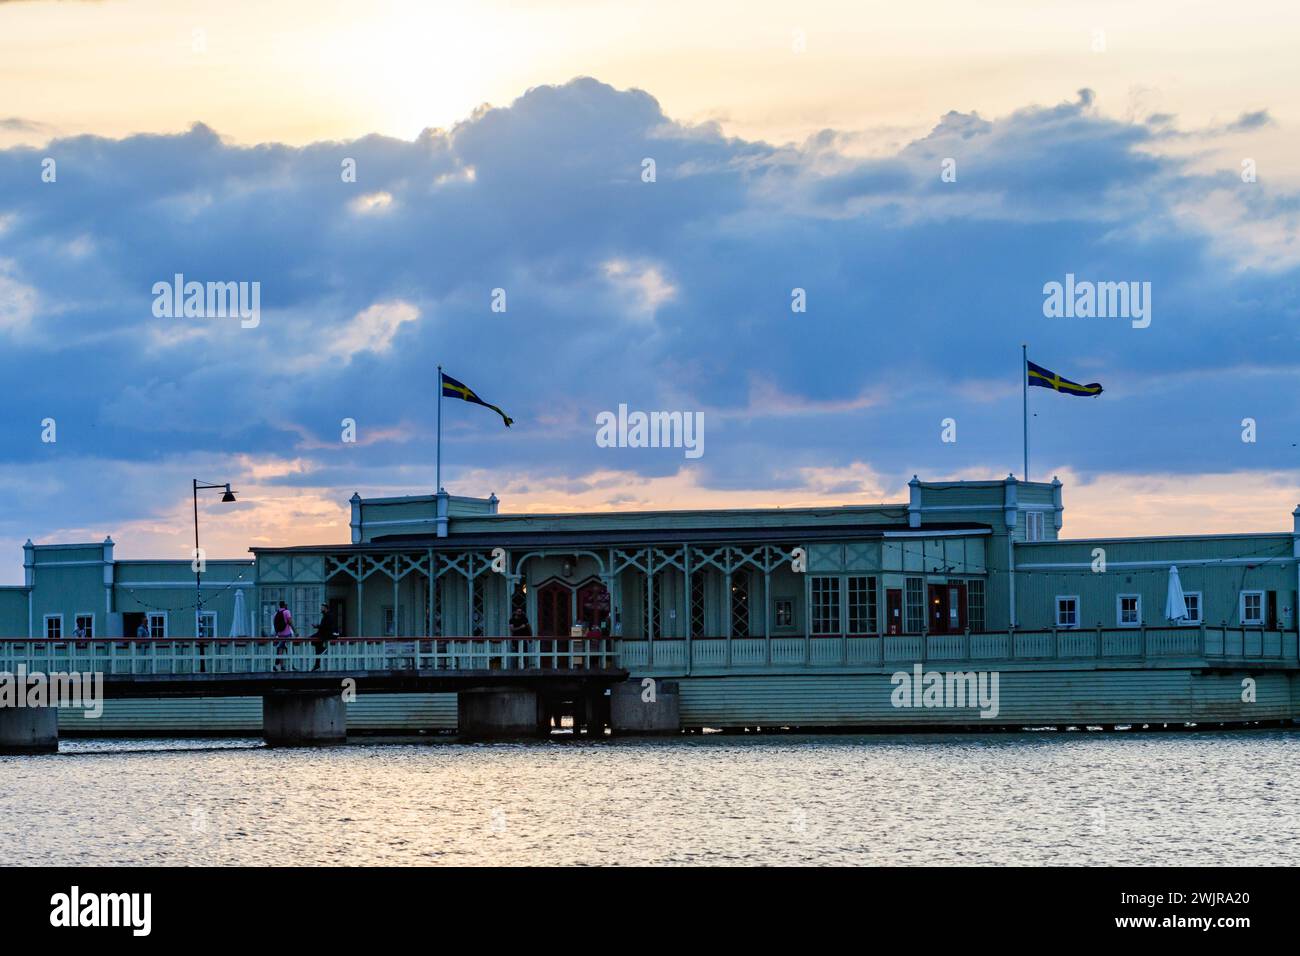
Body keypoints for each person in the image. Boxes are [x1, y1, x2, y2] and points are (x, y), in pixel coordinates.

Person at [310, 603, 336, 672]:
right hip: (322, 634)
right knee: (317, 647)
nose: (321, 609)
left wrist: (317, 626)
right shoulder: (326, 615)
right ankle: (317, 664)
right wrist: (318, 626)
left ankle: (323, 649)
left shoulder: (328, 616)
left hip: (325, 634)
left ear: (326, 608)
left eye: (322, 607)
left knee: (312, 639)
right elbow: (324, 626)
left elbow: (326, 627)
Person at [272, 600, 294, 671]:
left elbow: (274, 624)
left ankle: (280, 665)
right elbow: (290, 622)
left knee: (280, 649)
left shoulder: (276, 613)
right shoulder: (287, 612)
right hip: (287, 634)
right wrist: (295, 631)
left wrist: (276, 633)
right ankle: (290, 665)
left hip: (279, 634)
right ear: (284, 605)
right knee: (289, 649)